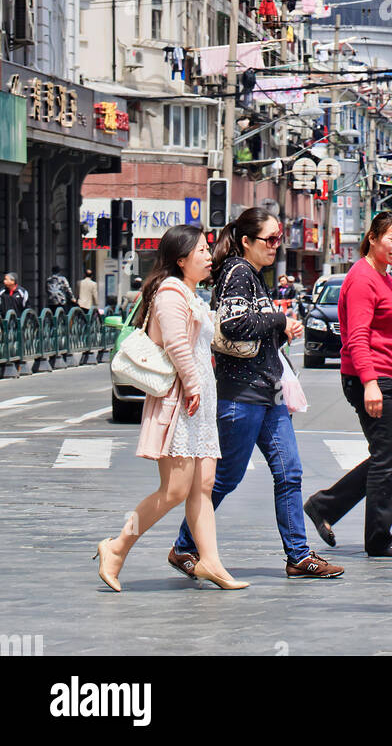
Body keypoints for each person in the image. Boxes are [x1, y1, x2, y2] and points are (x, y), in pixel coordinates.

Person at [169, 206, 343, 581]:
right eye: (270, 239)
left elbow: (254, 332)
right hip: (242, 394)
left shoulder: (255, 276)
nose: (276, 246)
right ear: (246, 241)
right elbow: (234, 324)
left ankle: (298, 555)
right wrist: (280, 320)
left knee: (290, 472)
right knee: (225, 478)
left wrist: (280, 331)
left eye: (279, 239)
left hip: (270, 392)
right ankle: (185, 545)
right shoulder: (238, 272)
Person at [94, 225, 248, 592]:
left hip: (199, 401)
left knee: (203, 487)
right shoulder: (170, 293)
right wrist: (194, 386)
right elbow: (178, 346)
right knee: (175, 490)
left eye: (208, 250)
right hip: (180, 401)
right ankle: (116, 546)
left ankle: (210, 561)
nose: (209, 256)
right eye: (201, 251)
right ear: (181, 259)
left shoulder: (193, 294)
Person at [304, 211, 392, 558]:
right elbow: (357, 337)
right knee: (388, 455)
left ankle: (325, 507)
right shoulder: (361, 278)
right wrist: (370, 382)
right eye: (391, 238)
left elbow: (388, 337)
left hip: (385, 374)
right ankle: (377, 537)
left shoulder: (385, 277)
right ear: (372, 238)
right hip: (367, 376)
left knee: (390, 454)